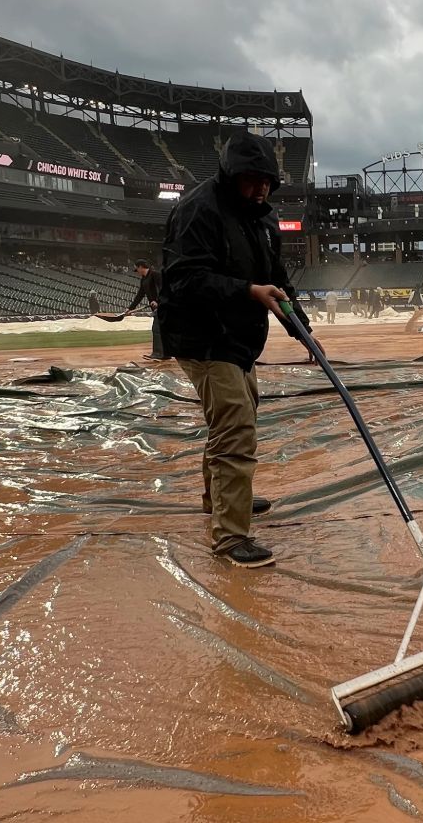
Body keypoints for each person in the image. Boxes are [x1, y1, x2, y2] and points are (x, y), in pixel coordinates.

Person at [160, 132, 309, 569]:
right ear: (230, 175)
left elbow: (278, 281)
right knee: (236, 428)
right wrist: (247, 290)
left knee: (236, 417)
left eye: (267, 181)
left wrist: (302, 329)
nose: (260, 188)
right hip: (201, 336)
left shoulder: (263, 218)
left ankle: (219, 499)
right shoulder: (198, 209)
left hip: (239, 338)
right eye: (251, 179)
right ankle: (230, 538)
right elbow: (183, 280)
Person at [120, 260, 164, 359]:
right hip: (156, 308)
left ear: (141, 267)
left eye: (137, 269)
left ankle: (158, 354)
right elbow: (140, 295)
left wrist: (157, 300)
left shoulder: (155, 275)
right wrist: (130, 308)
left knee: (156, 329)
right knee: (162, 330)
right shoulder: (144, 279)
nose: (137, 272)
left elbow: (163, 289)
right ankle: (165, 354)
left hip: (163, 306)